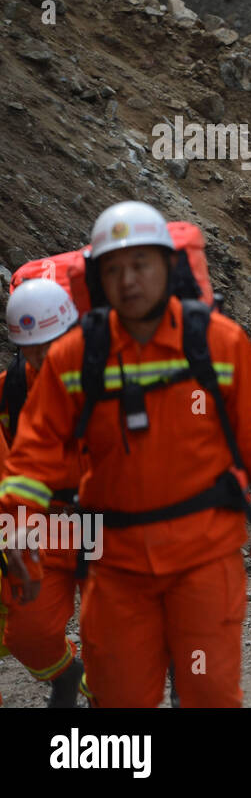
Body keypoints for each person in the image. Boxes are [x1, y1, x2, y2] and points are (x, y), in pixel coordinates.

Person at [1, 201, 251, 708]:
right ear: (98, 280)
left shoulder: (215, 341)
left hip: (203, 549)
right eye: (114, 269)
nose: (129, 280)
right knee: (118, 695)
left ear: (169, 267)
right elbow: (33, 453)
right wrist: (18, 529)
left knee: (207, 687)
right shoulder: (76, 357)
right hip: (114, 560)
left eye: (141, 264)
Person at [0, 278, 86, 707]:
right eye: (31, 349)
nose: (42, 356)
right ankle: (70, 673)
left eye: (50, 344)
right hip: (47, 523)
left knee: (117, 640)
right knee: (30, 635)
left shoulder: (115, 378)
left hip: (114, 521)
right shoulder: (11, 390)